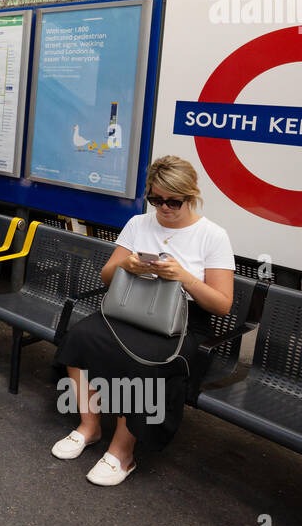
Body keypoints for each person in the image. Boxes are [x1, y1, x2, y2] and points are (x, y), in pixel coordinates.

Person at [51, 156, 234, 486]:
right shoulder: (139, 223)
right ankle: (89, 427)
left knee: (143, 361)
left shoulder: (213, 236)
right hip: (133, 307)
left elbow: (222, 305)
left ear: (190, 195)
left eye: (172, 201)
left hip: (183, 321)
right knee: (80, 336)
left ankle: (122, 451)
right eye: (156, 199)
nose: (163, 208)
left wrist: (184, 277)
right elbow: (107, 275)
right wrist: (129, 266)